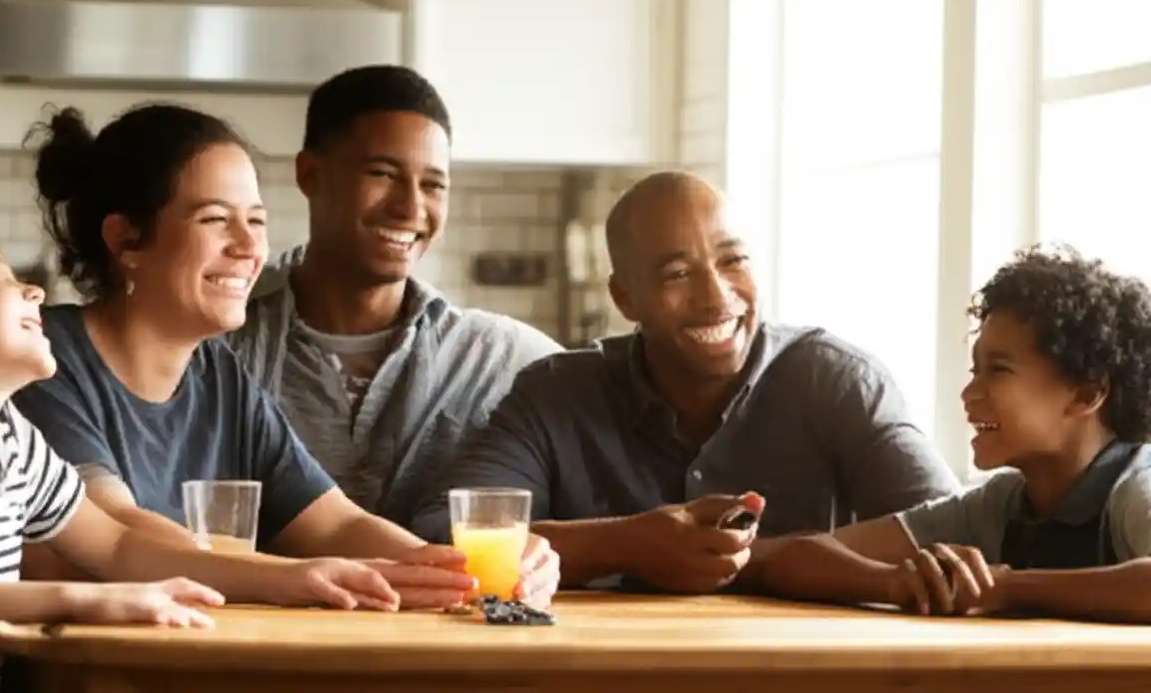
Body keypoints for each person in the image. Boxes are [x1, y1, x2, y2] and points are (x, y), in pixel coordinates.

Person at [10, 103, 554, 609]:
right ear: (126, 239)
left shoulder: (220, 375)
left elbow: (336, 524)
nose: (249, 248)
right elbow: (118, 532)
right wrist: (294, 576)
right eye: (215, 219)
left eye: (258, 220)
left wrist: (457, 572)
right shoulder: (44, 361)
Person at [0, 220, 408, 692]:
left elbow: (117, 546)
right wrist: (75, 600)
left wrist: (292, 578)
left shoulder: (12, 440)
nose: (32, 291)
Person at [411, 171, 960, 593]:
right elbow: (446, 539)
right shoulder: (554, 394)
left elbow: (952, 531)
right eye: (677, 274)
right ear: (625, 298)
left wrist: (763, 562)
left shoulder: (836, 381)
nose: (717, 296)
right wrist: (625, 543)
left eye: (733, 260)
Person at [228, 66, 562, 529]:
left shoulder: (495, 357)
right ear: (310, 174)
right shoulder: (220, 336)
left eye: (433, 184)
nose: (410, 207)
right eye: (383, 173)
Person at [744, 245, 1151, 623]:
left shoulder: (1136, 488)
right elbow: (797, 558)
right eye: (976, 370)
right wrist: (892, 582)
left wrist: (1005, 587)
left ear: (1086, 394)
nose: (969, 394)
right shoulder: (998, 506)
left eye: (999, 370)